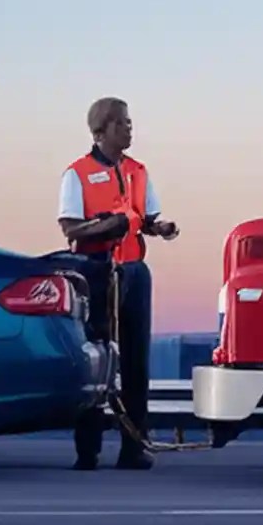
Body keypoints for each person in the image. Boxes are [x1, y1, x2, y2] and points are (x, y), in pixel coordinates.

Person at [58, 96, 178, 471]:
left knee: (136, 361)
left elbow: (146, 219)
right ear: (101, 131)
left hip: (134, 272)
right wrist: (108, 226)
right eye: (122, 123)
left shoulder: (138, 171)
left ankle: (134, 447)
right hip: (95, 271)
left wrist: (161, 227)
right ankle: (88, 451)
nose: (129, 128)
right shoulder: (77, 174)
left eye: (129, 122)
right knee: (97, 358)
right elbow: (71, 229)